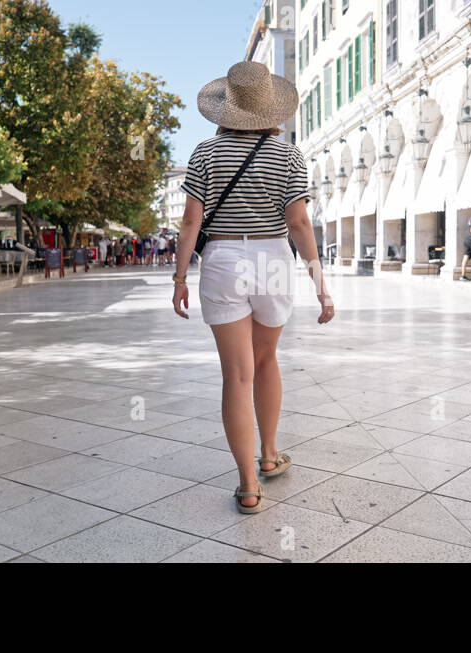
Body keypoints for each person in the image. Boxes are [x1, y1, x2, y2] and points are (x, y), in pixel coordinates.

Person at [171, 61, 335, 514]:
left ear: (228, 108)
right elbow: (299, 223)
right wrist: (322, 286)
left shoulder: (204, 153)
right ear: (270, 108)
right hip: (274, 259)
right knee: (266, 360)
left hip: (223, 259)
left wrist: (180, 277)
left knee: (236, 375)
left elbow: (191, 222)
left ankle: (247, 485)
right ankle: (269, 454)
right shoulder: (289, 156)